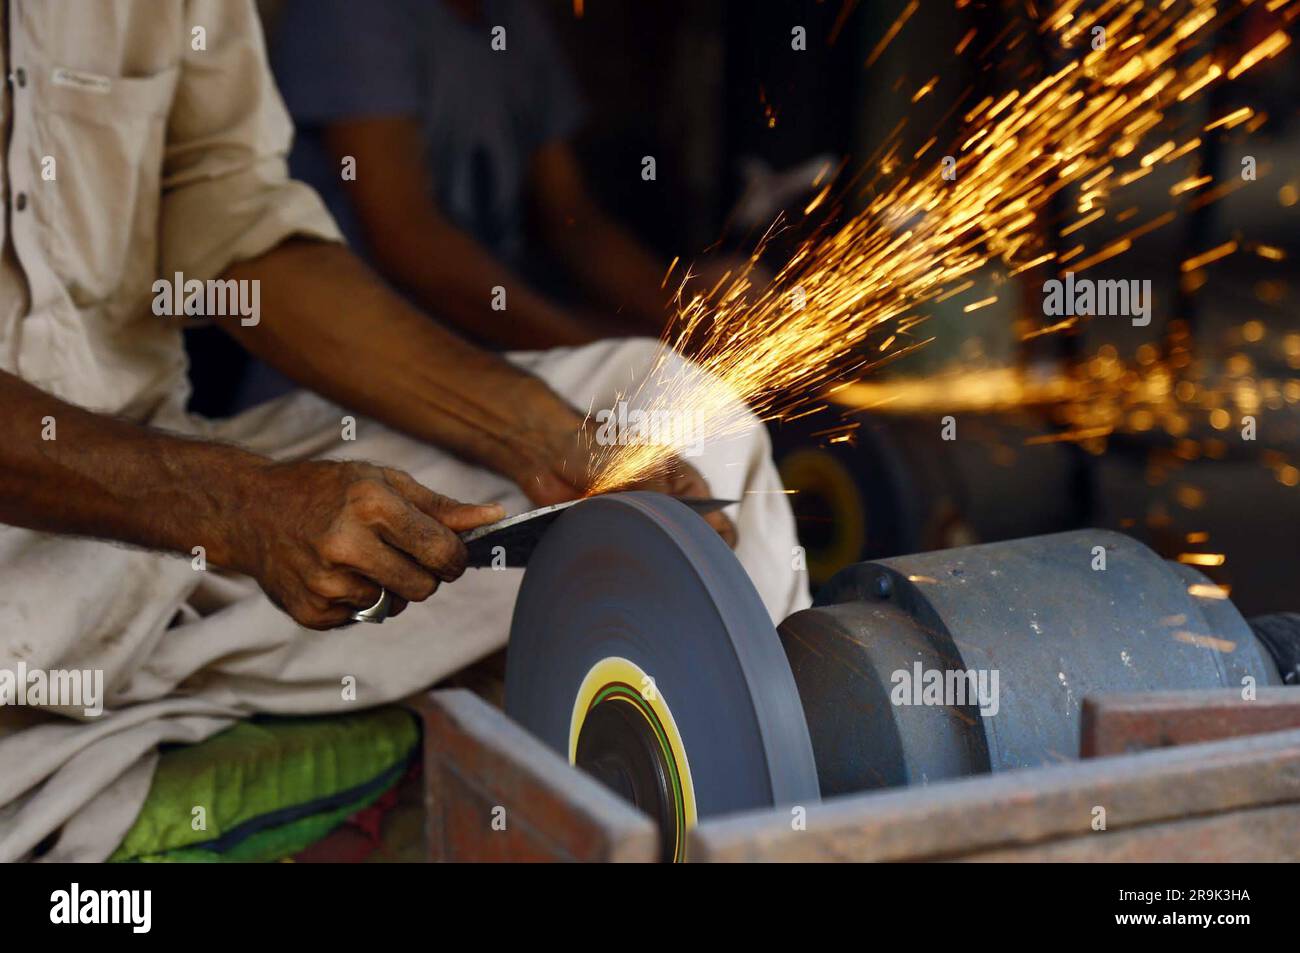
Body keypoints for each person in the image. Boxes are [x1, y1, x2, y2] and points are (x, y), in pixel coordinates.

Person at [0, 0, 806, 862]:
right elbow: (403, 229)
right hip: (67, 556)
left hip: (171, 555)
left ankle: (789, 820)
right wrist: (234, 507)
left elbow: (234, 225)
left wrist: (540, 435)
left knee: (688, 418)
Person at [268, 0, 698, 351]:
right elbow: (407, 239)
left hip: (494, 365)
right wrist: (603, 350)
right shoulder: (353, 14)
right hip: (354, 384)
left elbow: (575, 222)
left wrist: (691, 316)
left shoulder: (512, 20)